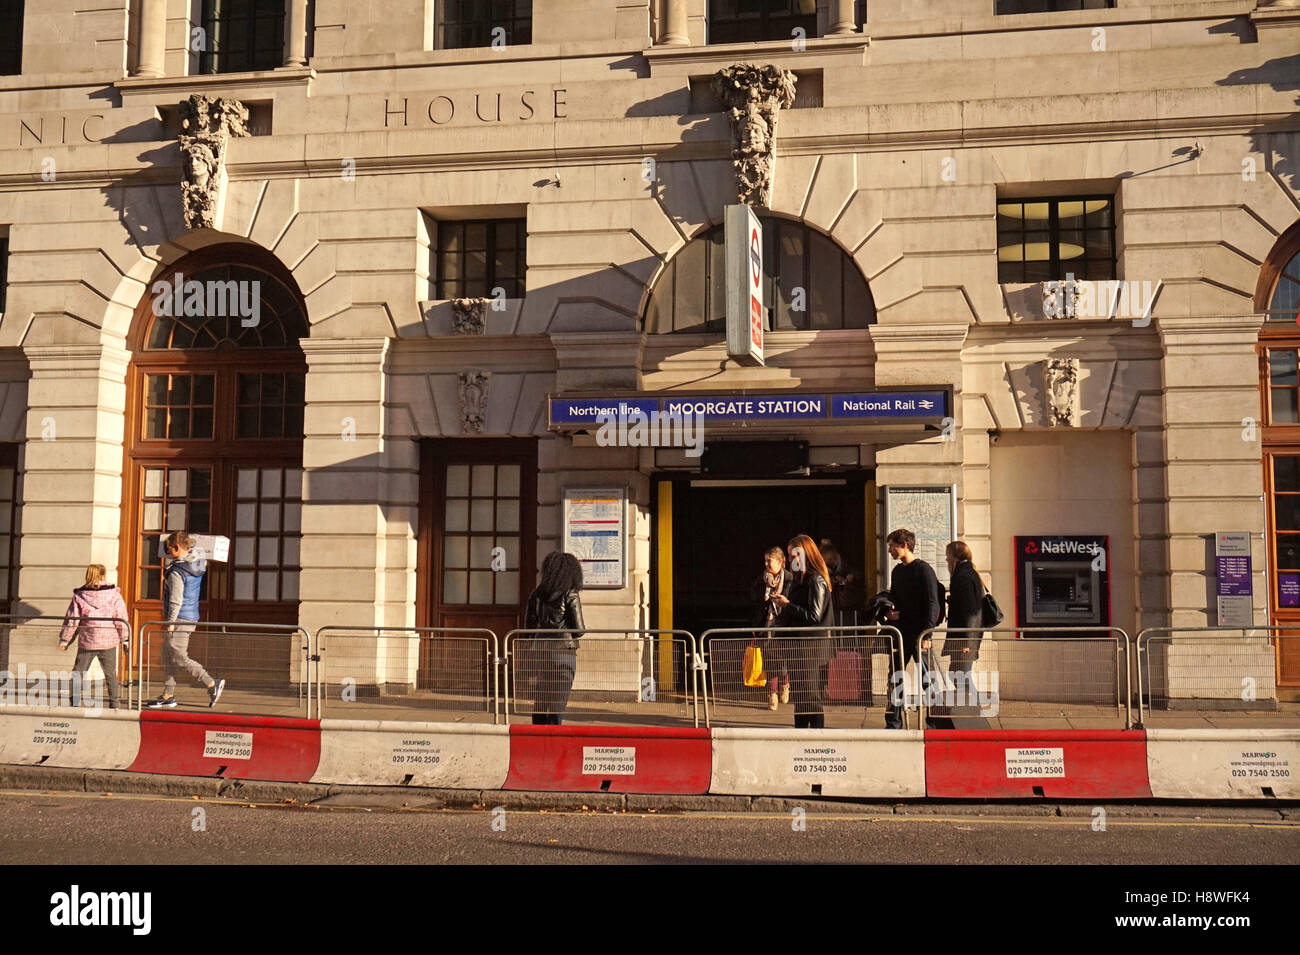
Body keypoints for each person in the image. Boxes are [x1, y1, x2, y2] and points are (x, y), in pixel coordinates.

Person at [146, 531, 224, 709]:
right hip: (191, 615)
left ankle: (211, 683)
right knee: (168, 655)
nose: (166, 553)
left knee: (179, 656)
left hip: (180, 617)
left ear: (177, 548)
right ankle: (168, 694)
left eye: (169, 550)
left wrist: (171, 623)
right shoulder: (197, 562)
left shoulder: (177, 571)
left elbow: (175, 600)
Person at [769, 534, 833, 729]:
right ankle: (800, 735)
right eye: (789, 555)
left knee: (811, 699)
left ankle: (815, 739)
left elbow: (814, 616)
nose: (791, 560)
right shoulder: (801, 581)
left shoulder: (815, 580)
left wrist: (787, 605)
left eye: (794, 554)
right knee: (802, 699)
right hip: (799, 648)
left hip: (810, 648)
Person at [882, 528, 941, 729]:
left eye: (892, 545)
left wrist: (928, 633)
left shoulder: (924, 570)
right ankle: (893, 723)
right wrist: (890, 610)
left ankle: (935, 721)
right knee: (895, 677)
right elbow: (897, 599)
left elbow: (933, 603)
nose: (889, 550)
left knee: (928, 679)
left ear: (904, 545)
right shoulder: (897, 571)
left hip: (920, 634)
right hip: (900, 633)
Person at [523, 551, 586, 725]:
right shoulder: (570, 594)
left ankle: (538, 731)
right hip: (564, 651)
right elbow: (579, 629)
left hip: (541, 650)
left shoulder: (536, 594)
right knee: (559, 697)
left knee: (542, 695)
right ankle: (555, 732)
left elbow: (528, 628)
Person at [58, 564, 130, 710]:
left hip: (88, 641)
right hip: (108, 641)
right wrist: (125, 638)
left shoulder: (80, 596)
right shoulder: (114, 594)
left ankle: (75, 703)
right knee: (110, 675)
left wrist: (65, 640)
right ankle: (114, 705)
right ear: (103, 576)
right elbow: (120, 618)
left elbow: (72, 620)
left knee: (78, 672)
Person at [749, 546, 792, 711]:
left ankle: (785, 684)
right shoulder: (761, 579)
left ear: (780, 562)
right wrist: (764, 597)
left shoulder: (789, 579)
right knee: (770, 660)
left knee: (784, 659)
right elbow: (753, 599)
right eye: (765, 560)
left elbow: (792, 600)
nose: (766, 564)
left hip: (783, 625)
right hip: (766, 626)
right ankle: (772, 694)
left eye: (770, 560)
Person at [942, 540, 986, 696]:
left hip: (965, 637)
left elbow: (970, 611)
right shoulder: (969, 573)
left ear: (955, 557)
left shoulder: (963, 576)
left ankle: (975, 707)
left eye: (948, 556)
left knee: (961, 677)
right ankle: (969, 708)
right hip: (966, 635)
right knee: (957, 675)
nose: (946, 559)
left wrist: (968, 641)